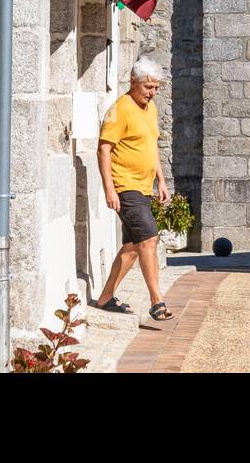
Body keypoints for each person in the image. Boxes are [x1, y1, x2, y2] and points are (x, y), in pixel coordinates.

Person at [95, 56, 173, 321]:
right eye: (147, 87)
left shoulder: (150, 109)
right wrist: (109, 189)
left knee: (131, 246)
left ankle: (105, 297)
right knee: (149, 238)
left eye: (155, 88)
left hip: (143, 186)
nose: (152, 93)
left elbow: (151, 148)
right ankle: (156, 300)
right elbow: (103, 149)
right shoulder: (120, 110)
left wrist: (160, 180)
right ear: (133, 82)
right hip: (125, 185)